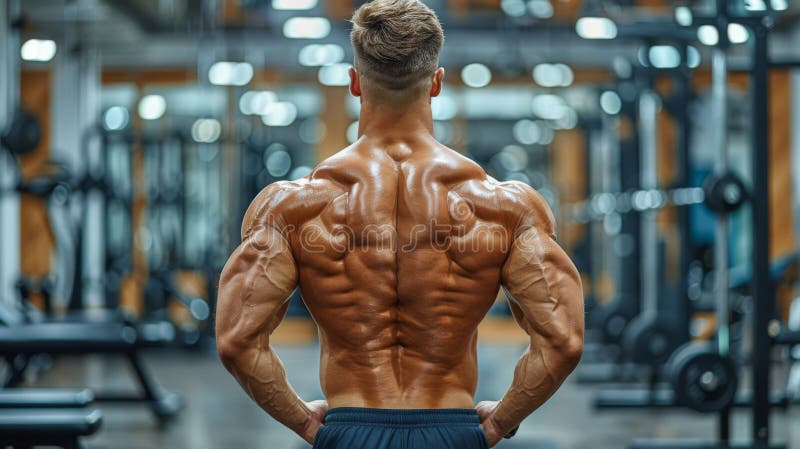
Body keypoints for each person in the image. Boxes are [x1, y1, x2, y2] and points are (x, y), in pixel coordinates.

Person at [215, 0, 584, 447]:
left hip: (349, 428)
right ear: (437, 83)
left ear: (354, 83)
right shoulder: (505, 207)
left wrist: (306, 424)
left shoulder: (292, 207)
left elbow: (237, 341)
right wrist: (498, 423)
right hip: (453, 429)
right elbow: (563, 341)